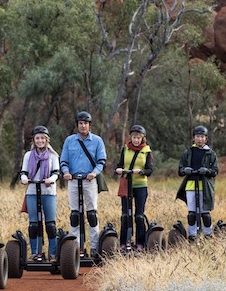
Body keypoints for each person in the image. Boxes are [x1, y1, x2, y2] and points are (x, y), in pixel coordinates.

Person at [59, 110, 107, 257]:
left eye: (85, 123)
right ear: (77, 125)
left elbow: (102, 161)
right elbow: (64, 161)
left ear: (89, 125)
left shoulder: (97, 141)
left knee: (91, 214)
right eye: (80, 123)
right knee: (75, 214)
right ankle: (76, 248)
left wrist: (94, 173)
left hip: (89, 180)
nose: (83, 126)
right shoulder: (69, 140)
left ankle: (94, 247)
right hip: (73, 181)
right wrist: (66, 172)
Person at [19, 125, 60, 262]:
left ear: (47, 139)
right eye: (37, 138)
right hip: (32, 191)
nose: (40, 140)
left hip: (48, 192)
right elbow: (23, 172)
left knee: (50, 224)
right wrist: (24, 179)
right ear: (34, 140)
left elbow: (56, 173)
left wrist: (51, 179)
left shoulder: (53, 156)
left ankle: (53, 253)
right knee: (33, 224)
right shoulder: (28, 155)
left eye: (42, 138)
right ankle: (35, 253)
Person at [114, 124, 154, 251]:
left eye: (138, 138)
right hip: (127, 185)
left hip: (140, 186)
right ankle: (124, 242)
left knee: (139, 216)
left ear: (143, 138)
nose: (136, 140)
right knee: (126, 214)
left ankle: (140, 243)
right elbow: (120, 164)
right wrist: (119, 169)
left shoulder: (146, 150)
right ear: (130, 137)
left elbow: (150, 170)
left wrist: (141, 172)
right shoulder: (125, 148)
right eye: (134, 137)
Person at [175, 125, 219, 241]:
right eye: (197, 136)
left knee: (205, 213)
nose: (200, 139)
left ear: (206, 138)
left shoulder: (211, 154)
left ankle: (208, 235)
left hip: (205, 187)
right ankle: (192, 235)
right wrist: (185, 170)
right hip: (190, 186)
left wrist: (207, 171)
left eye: (202, 137)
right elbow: (180, 170)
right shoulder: (188, 152)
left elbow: (215, 171)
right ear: (194, 138)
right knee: (192, 213)